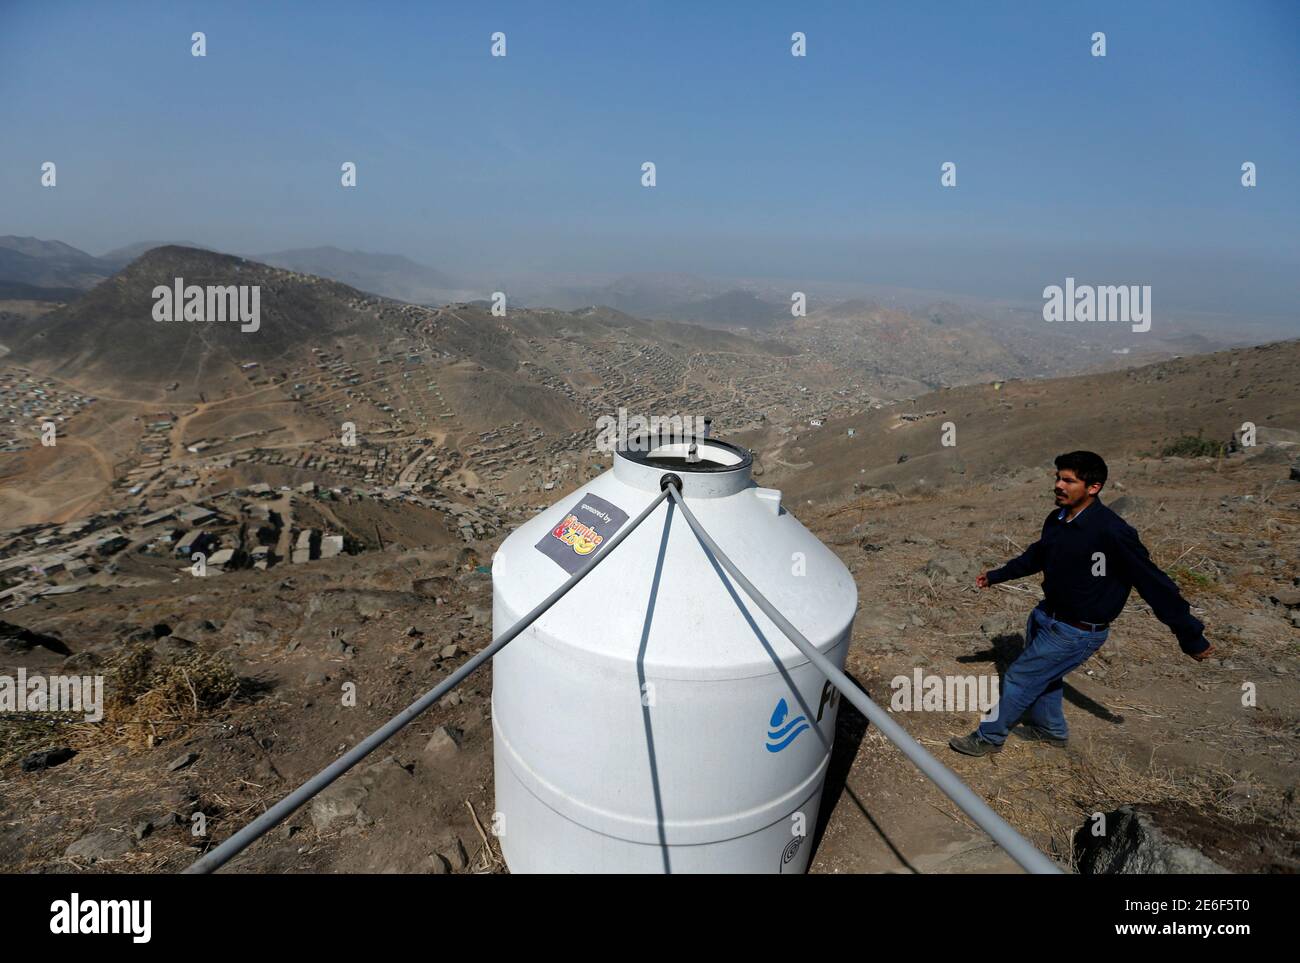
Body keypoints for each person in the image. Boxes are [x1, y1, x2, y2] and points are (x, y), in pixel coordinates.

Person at [949, 451, 1215, 757]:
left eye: (1068, 480)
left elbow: (1156, 585)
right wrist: (997, 575)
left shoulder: (1112, 532)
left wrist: (1190, 636)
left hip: (1076, 631)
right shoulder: (1058, 519)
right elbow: (1037, 555)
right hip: (1045, 617)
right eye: (1058, 478)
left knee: (1021, 677)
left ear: (1093, 487)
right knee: (1045, 678)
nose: (1059, 486)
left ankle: (989, 737)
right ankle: (1049, 731)